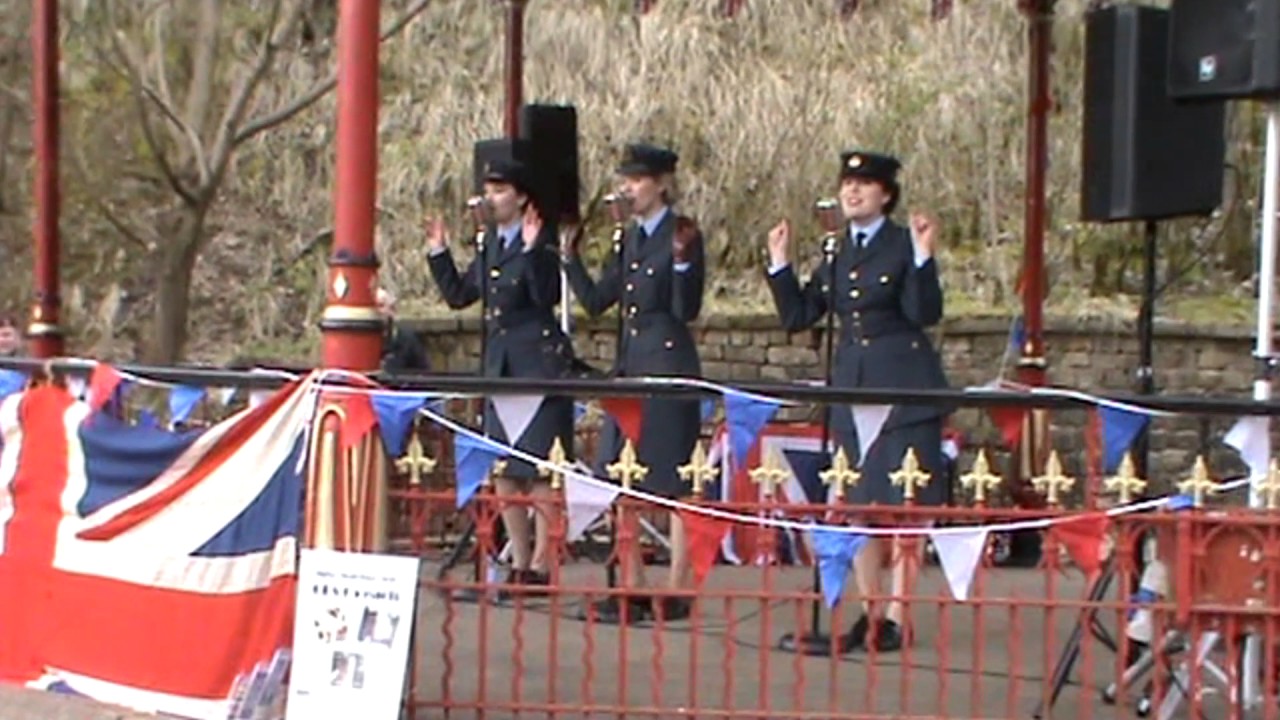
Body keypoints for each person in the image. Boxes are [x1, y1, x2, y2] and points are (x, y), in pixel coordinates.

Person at [764, 150, 949, 652]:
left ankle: (896, 614)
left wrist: (923, 256)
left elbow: (923, 311)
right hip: (852, 386)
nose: (852, 192)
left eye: (864, 185)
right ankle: (870, 613)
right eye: (848, 183)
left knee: (905, 506)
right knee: (861, 505)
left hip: (902, 386)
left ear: (885, 194)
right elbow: (801, 314)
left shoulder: (899, 244)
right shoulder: (837, 250)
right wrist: (780, 265)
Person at [562, 142, 705, 624]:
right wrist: (570, 258)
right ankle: (632, 583)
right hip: (630, 366)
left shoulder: (681, 233)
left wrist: (683, 264)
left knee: (669, 479)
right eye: (625, 179)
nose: (628, 188)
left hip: (667, 364)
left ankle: (676, 586)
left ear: (661, 184)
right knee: (617, 475)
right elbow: (599, 300)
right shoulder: (629, 239)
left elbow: (687, 309)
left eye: (637, 180)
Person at [425, 143, 576, 594]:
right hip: (501, 367)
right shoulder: (491, 243)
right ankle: (519, 559)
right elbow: (462, 294)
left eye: (500, 189)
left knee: (539, 467)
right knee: (508, 469)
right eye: (487, 189)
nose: (491, 198)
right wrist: (438, 255)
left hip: (536, 365)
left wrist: (531, 252)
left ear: (521, 196)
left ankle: (542, 562)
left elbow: (542, 294)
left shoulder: (540, 238)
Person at [376, 288, 430, 373]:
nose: (376, 311)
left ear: (392, 310)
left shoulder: (407, 340)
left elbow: (424, 373)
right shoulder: (359, 340)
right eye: (372, 306)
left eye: (381, 305)